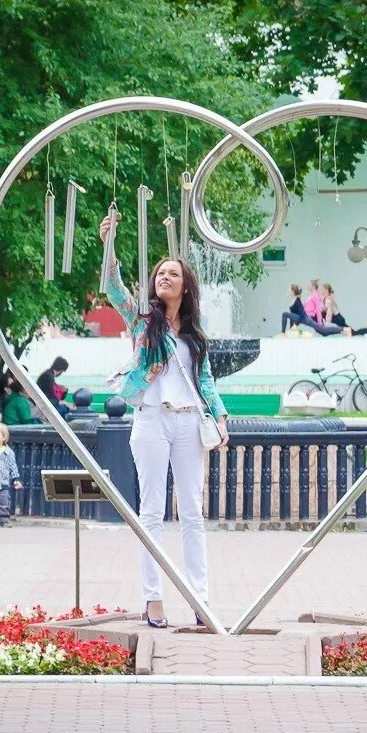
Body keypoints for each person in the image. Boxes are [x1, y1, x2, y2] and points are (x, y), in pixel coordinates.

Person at [100, 213, 227, 629]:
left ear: (186, 285)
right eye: (159, 274)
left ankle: (199, 599)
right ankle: (153, 598)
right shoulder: (142, 319)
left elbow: (204, 377)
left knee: (192, 512)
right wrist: (110, 245)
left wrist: (220, 417)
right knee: (150, 512)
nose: (164, 278)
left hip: (190, 423)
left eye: (172, 274)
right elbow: (113, 289)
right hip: (151, 420)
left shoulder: (194, 329)